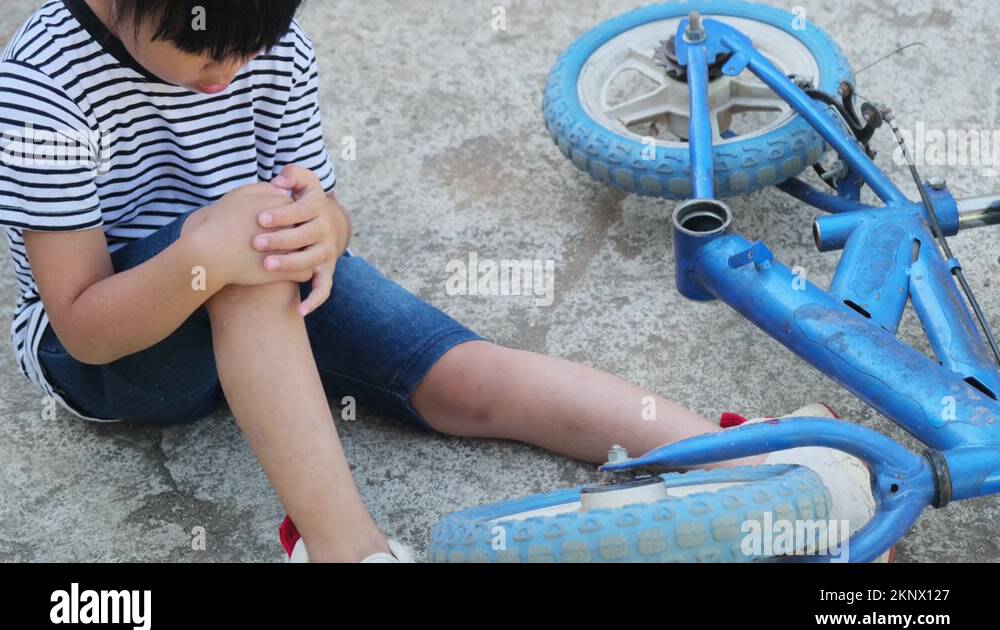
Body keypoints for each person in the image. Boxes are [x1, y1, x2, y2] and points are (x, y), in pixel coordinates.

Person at [0, 0, 875, 563]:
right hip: (124, 348)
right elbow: (80, 325)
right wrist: (218, 254)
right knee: (248, 253)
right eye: (200, 56)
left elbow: (319, 206)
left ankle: (743, 459)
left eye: (248, 51)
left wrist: (325, 226)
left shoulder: (263, 34)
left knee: (460, 373)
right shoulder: (43, 82)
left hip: (263, 291)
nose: (227, 74)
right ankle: (347, 552)